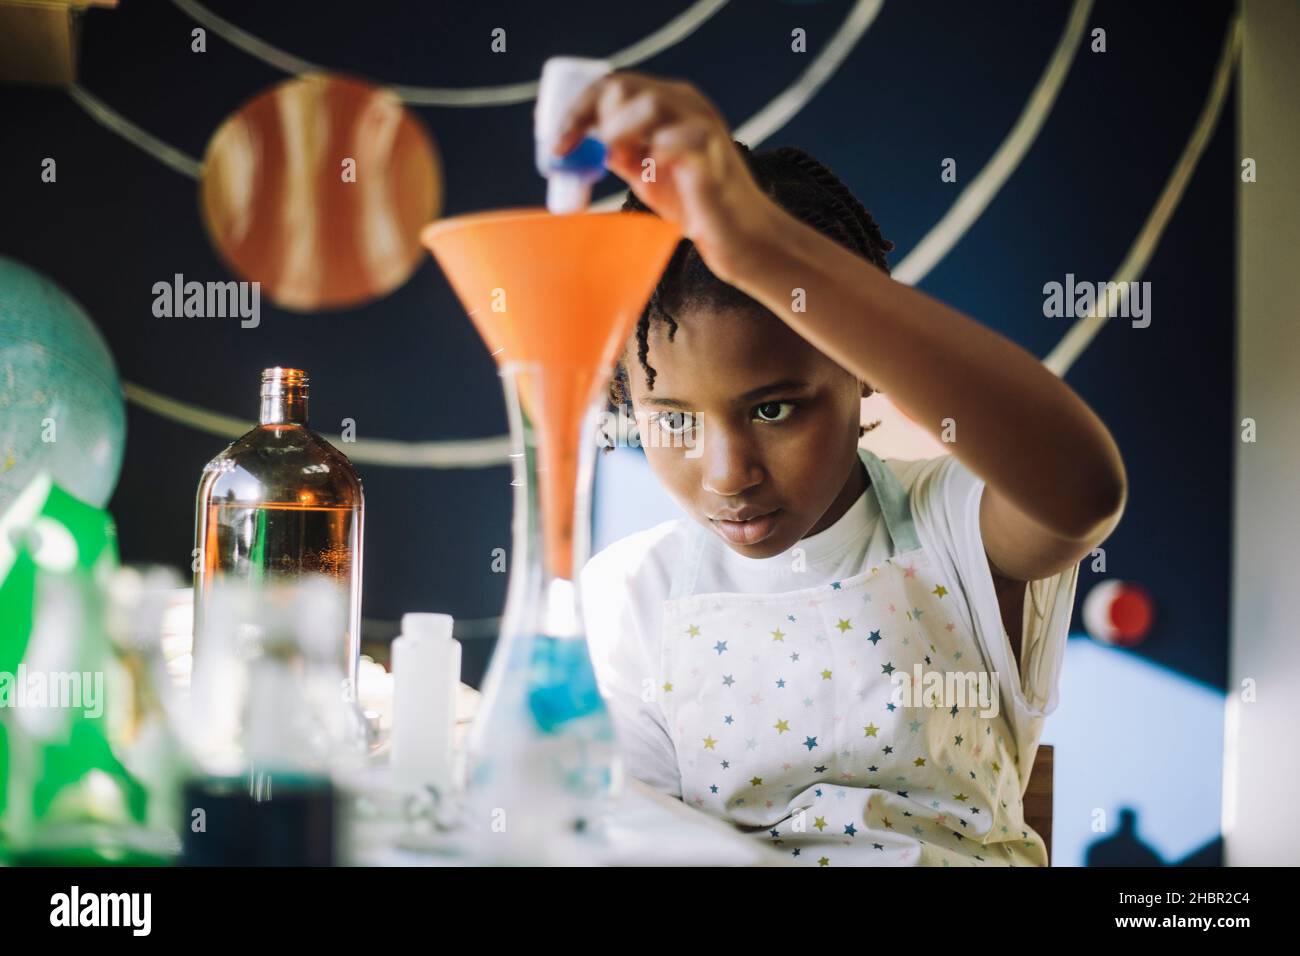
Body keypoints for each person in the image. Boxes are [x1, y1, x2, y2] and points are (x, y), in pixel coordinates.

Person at [565, 72, 1127, 866]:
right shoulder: (634, 590)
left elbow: (1082, 490)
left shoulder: (954, 532)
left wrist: (763, 250)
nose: (727, 474)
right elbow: (636, 832)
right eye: (676, 420)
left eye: (773, 409)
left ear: (862, 369)